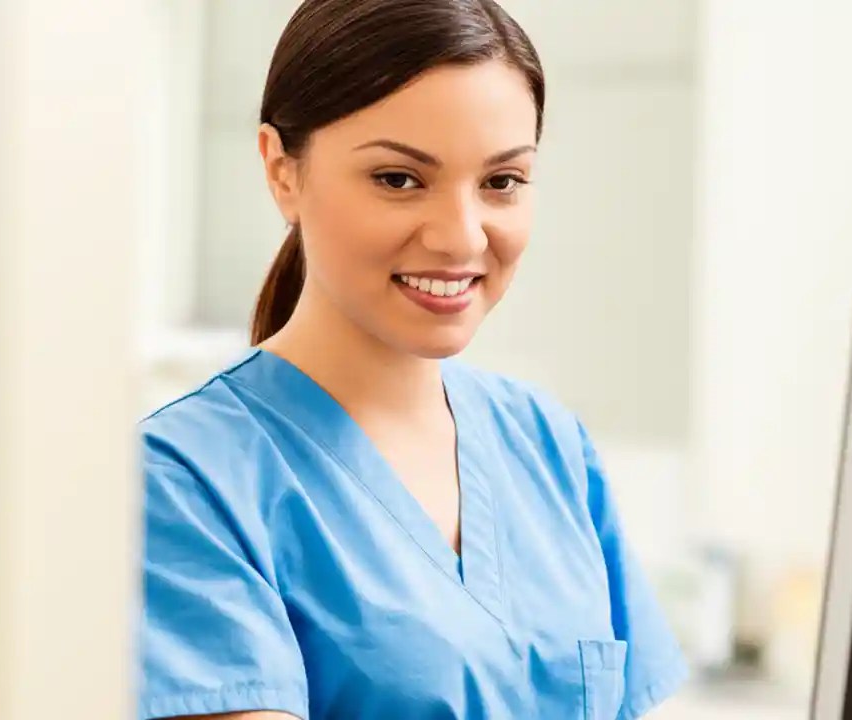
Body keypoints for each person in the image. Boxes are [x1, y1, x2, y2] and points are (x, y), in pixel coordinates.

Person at [135, 1, 689, 718]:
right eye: (399, 179)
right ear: (282, 171)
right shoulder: (183, 483)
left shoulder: (549, 445)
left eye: (502, 182)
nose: (461, 239)